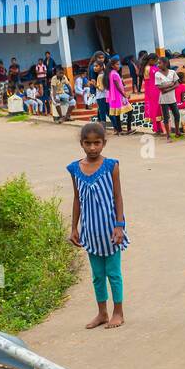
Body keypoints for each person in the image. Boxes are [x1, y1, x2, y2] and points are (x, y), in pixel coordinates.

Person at [68, 122, 127, 329]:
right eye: (88, 143)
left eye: (97, 143)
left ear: (104, 143)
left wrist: (119, 225)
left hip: (110, 230)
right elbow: (77, 199)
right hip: (90, 232)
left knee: (113, 273)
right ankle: (102, 312)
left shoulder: (112, 166)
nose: (92, 148)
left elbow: (118, 196)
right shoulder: (75, 169)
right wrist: (74, 227)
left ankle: (118, 312)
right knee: (97, 276)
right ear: (81, 144)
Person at [155, 55, 181, 140]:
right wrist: (170, 84)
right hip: (164, 100)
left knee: (177, 114)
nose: (158, 64)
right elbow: (159, 87)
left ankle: (177, 131)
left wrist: (168, 88)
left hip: (172, 98)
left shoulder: (172, 72)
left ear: (165, 64)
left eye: (159, 63)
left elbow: (177, 84)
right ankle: (168, 135)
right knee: (166, 117)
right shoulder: (157, 74)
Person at [107, 57, 133, 135]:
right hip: (119, 96)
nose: (119, 66)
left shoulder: (111, 73)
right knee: (130, 110)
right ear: (112, 65)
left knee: (118, 114)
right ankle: (129, 129)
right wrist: (125, 95)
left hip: (115, 96)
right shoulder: (114, 74)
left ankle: (119, 130)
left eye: (119, 64)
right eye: (117, 64)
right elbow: (118, 86)